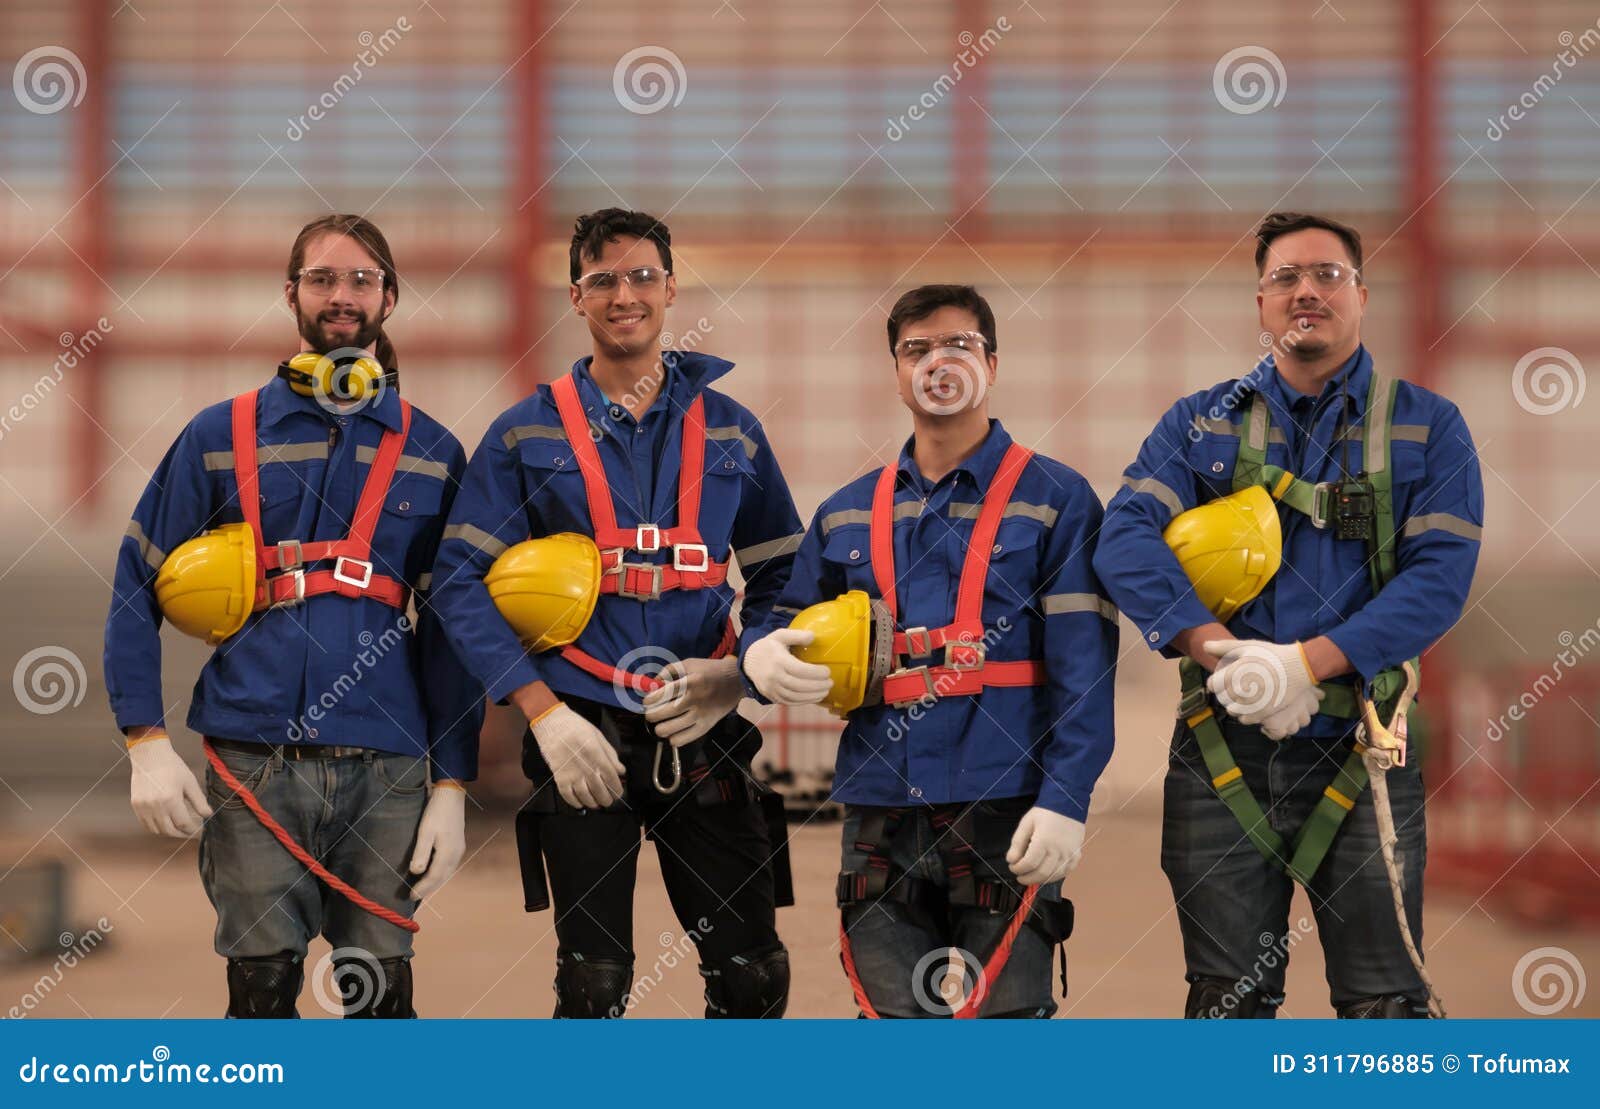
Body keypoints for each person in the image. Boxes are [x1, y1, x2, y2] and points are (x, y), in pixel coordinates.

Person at [1094, 211, 1484, 1018]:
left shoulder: (1426, 429)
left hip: (1364, 745)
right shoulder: (1201, 423)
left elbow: (1438, 579)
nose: (1306, 291)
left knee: (1387, 1004)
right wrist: (1220, 651)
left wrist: (1308, 664)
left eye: (1327, 275)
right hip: (1219, 747)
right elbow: (1123, 537)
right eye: (1285, 279)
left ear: (1362, 295)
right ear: (1261, 304)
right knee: (1226, 1004)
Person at [104, 213, 483, 1018]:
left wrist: (452, 782)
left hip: (387, 768)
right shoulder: (219, 436)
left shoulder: (435, 451)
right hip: (254, 760)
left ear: (389, 297)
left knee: (378, 995)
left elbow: (456, 626)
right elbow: (134, 583)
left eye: (360, 279)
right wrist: (143, 739)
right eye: (322, 278)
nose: (341, 296)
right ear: (290, 293)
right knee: (263, 989)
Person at [430, 208, 803, 1018]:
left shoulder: (734, 432)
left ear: (672, 289)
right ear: (576, 297)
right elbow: (458, 579)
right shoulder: (522, 434)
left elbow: (785, 577)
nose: (623, 294)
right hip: (581, 727)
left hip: (700, 726)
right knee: (593, 982)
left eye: (641, 277)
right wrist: (542, 712)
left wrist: (736, 676)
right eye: (603, 280)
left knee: (753, 973)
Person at [744, 284, 1116, 1018]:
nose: (936, 362)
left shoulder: (1057, 500)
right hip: (880, 810)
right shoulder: (846, 510)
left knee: (1007, 1032)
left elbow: (1085, 671)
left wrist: (1067, 798)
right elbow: (781, 614)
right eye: (916, 348)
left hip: (1008, 809)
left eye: (959, 346)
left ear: (993, 364)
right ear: (895, 369)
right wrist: (757, 655)